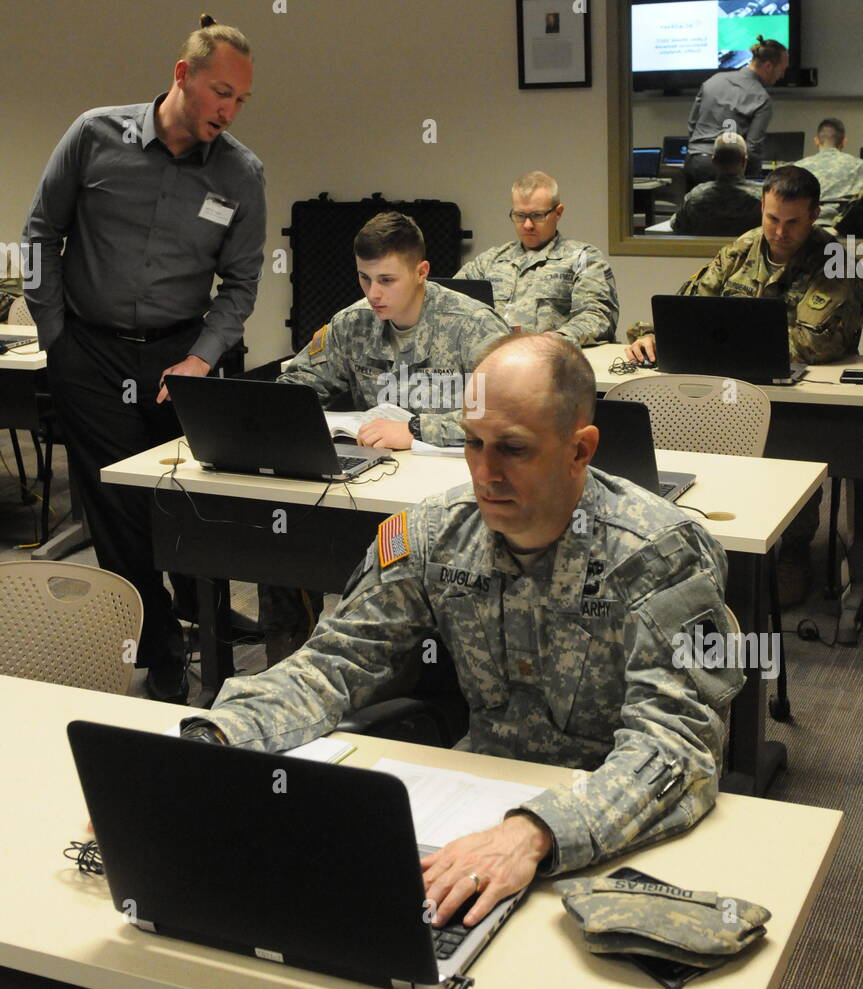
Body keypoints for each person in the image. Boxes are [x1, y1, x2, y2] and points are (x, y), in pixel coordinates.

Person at [182, 333, 741, 930]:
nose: (485, 472)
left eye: (514, 449)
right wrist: (212, 742)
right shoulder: (433, 536)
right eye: (473, 443)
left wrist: (535, 832)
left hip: (617, 827)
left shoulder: (658, 556)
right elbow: (333, 662)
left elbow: (675, 749)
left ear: (580, 450)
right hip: (470, 814)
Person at [22, 16, 266, 705]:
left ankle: (203, 617)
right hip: (89, 354)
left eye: (241, 100)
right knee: (115, 510)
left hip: (176, 359)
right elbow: (41, 231)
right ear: (182, 75)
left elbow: (241, 286)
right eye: (221, 91)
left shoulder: (241, 175)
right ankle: (158, 649)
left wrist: (201, 357)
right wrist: (54, 336)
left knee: (185, 505)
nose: (229, 109)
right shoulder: (94, 135)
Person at [259, 210, 510, 661]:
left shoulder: (473, 326)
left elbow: (509, 411)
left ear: (421, 272)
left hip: (449, 500)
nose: (373, 294)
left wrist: (414, 429)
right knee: (280, 534)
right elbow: (294, 386)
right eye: (364, 278)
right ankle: (289, 662)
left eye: (387, 280)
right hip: (367, 486)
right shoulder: (351, 323)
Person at [626, 163, 863, 606]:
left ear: (813, 216)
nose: (779, 231)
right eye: (772, 218)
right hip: (731, 388)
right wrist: (655, 334)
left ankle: (792, 551)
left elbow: (817, 342)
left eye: (793, 222)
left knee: (797, 452)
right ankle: (716, 546)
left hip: (805, 398)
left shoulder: (836, 259)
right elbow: (688, 307)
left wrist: (724, 337)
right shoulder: (743, 248)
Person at [454, 171, 618, 345]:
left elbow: (598, 316)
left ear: (558, 213)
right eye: (520, 215)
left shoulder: (583, 258)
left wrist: (558, 338)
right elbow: (451, 301)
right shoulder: (490, 261)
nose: (527, 225)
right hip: (494, 357)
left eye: (537, 216)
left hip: (551, 359)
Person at [684, 36, 788, 188]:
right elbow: (752, 149)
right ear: (768, 66)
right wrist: (754, 181)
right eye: (782, 69)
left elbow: (692, 124)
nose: (782, 75)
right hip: (725, 170)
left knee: (696, 209)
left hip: (695, 162)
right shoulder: (761, 97)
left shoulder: (713, 80)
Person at [669, 131, 762, 236]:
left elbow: (677, 225)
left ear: (714, 161)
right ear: (744, 161)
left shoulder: (696, 197)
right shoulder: (762, 198)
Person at [795, 117, 863, 222]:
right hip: (846, 232)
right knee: (852, 237)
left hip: (809, 229)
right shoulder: (859, 166)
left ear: (816, 141)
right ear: (844, 142)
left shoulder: (798, 168)